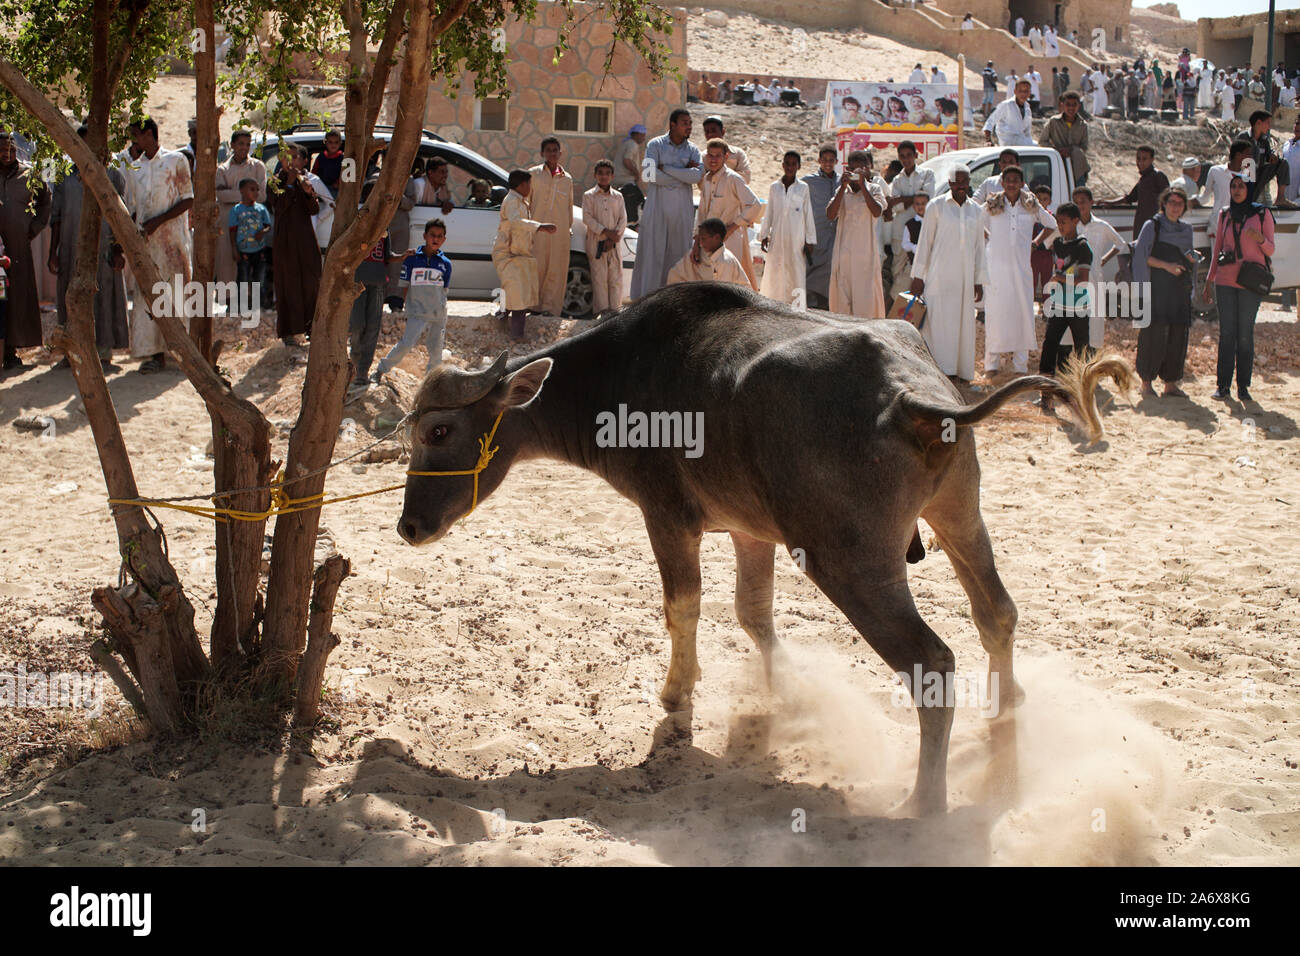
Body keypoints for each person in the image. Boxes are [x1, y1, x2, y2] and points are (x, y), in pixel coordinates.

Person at [48, 127, 128, 369]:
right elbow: (57, 217)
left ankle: (103, 354)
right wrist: (53, 252)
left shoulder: (113, 175)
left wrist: (118, 250)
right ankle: (70, 354)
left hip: (103, 247)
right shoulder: (64, 176)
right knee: (70, 298)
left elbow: (120, 216)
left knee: (103, 296)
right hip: (70, 247)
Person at [121, 118, 192, 373]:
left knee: (177, 295)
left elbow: (187, 199)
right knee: (149, 297)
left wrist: (158, 222)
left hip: (173, 243)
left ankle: (181, 353)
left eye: (136, 135)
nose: (133, 141)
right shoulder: (134, 168)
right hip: (146, 245)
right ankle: (154, 355)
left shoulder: (176, 161)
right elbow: (131, 208)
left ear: (149, 135)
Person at [909, 165, 987, 380]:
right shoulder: (936, 206)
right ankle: (940, 374)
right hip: (938, 278)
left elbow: (979, 248)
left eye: (964, 182)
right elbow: (925, 242)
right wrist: (918, 276)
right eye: (956, 182)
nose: (960, 186)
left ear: (969, 183)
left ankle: (960, 372)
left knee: (962, 326)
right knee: (939, 325)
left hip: (964, 280)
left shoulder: (976, 210)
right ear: (950, 183)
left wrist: (978, 280)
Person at [981, 165, 1057, 374]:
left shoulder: (1030, 203)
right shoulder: (992, 203)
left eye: (1016, 179)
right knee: (995, 314)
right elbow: (975, 224)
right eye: (1008, 180)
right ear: (1002, 183)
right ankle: (992, 365)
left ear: (1022, 182)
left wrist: (1036, 242)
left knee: (1023, 314)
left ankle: (1020, 366)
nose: (1012, 183)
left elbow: (1052, 224)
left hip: (1022, 270)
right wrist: (989, 239)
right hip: (996, 270)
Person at [1205, 175, 1273, 403]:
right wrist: (1209, 279)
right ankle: (1222, 386)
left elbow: (1271, 249)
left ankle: (1243, 387)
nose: (1236, 190)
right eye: (1233, 186)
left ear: (1249, 189)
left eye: (1241, 186)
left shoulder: (1262, 213)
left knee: (1244, 335)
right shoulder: (1225, 213)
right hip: (1225, 281)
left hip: (1250, 283)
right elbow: (1217, 249)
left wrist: (1260, 239)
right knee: (1227, 335)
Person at [630, 109, 701, 299]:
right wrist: (682, 175)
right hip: (657, 211)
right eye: (685, 123)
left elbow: (696, 175)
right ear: (672, 124)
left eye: (690, 123)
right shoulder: (656, 145)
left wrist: (667, 168)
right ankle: (645, 302)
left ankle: (674, 302)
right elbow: (649, 174)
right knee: (652, 257)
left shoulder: (693, 149)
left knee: (678, 259)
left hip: (681, 214)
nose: (689, 127)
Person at [371, 218, 453, 382]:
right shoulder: (412, 259)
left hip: (438, 314)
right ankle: (381, 370)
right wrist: (403, 306)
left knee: (436, 351)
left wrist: (441, 309)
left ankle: (431, 383)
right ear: (424, 236)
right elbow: (404, 285)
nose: (435, 239)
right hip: (417, 312)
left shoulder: (446, 264)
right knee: (406, 344)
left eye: (439, 236)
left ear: (444, 239)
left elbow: (444, 290)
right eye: (432, 235)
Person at [1132, 187, 1195, 398]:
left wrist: (1192, 260)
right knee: (1152, 334)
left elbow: (1187, 256)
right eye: (1172, 202)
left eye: (1180, 203)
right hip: (1156, 288)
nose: (1175, 207)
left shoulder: (1187, 230)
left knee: (1178, 335)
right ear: (1164, 204)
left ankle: (1170, 384)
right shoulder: (1152, 226)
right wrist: (1167, 266)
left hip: (1179, 289)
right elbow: (1142, 256)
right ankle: (1146, 383)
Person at [0, 131, 51, 371]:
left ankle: (12, 352)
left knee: (17, 300)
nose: (6, 154)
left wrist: (35, 227)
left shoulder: (28, 173)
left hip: (18, 248)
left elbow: (46, 200)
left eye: (10, 149)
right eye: (2, 150)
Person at [1036, 202, 1092, 410]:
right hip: (1059, 305)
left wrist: (1059, 278)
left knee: (1082, 353)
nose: (1060, 225)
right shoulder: (1057, 243)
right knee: (1049, 348)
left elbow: (1083, 280)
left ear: (1075, 221)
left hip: (1078, 307)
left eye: (1064, 222)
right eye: (1058, 221)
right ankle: (1046, 395)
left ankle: (1084, 396)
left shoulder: (1082, 247)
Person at [492, 169, 557, 340]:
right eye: (529, 183)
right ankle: (516, 335)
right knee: (518, 296)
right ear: (522, 185)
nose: (530, 187)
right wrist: (540, 226)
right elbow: (516, 222)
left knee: (514, 292)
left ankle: (499, 321)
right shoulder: (512, 201)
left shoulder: (521, 201)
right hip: (508, 253)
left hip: (519, 254)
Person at [347, 183, 398, 398]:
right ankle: (354, 364)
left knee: (372, 327)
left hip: (377, 281)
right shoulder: (356, 220)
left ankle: (362, 373)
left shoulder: (384, 223)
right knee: (357, 325)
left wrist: (402, 256)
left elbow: (386, 255)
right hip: (358, 281)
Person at [268, 143, 321, 347]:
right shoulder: (275, 181)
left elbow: (314, 209)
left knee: (311, 284)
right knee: (288, 286)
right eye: (286, 158)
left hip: (305, 241)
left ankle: (310, 330)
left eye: (295, 157)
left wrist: (307, 192)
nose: (291, 162)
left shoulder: (304, 181)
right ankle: (289, 333)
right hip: (285, 244)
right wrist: (289, 184)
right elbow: (278, 205)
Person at [695, 138, 762, 291]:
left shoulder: (733, 179)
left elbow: (754, 204)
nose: (713, 159)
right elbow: (701, 214)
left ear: (726, 157)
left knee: (728, 287)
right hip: (707, 244)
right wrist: (696, 242)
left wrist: (732, 227)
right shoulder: (706, 180)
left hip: (729, 242)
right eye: (710, 155)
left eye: (718, 155)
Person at [826, 149, 886, 318]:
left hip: (865, 259)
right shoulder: (843, 191)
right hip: (843, 258)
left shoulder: (874, 189)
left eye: (860, 170)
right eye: (853, 170)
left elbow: (877, 211)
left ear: (867, 169)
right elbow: (830, 214)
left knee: (866, 304)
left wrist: (863, 186)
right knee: (842, 306)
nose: (856, 174)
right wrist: (843, 187)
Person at [1071, 186, 1127, 352]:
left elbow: (1120, 244)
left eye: (1083, 202)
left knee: (1094, 319)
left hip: (1094, 277)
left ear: (1091, 203)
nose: (1080, 206)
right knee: (1073, 318)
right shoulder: (1071, 225)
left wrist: (1104, 259)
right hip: (1073, 279)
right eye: (1076, 203)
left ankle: (1091, 359)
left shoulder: (1101, 226)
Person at [758, 151, 816, 307]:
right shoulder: (774, 187)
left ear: (798, 166)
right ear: (783, 165)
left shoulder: (803, 188)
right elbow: (769, 211)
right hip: (777, 238)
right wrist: (764, 234)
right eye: (787, 164)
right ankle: (772, 307)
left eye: (793, 164)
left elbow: (807, 213)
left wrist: (810, 240)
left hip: (796, 239)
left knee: (795, 272)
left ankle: (797, 310)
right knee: (774, 272)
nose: (790, 167)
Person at [528, 137, 574, 317]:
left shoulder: (567, 178)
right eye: (548, 150)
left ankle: (550, 308)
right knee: (537, 266)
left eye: (555, 150)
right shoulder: (533, 174)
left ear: (560, 153)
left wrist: (568, 228)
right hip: (537, 229)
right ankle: (533, 306)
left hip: (559, 231)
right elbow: (527, 201)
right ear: (542, 153)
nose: (552, 153)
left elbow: (569, 206)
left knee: (556, 268)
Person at [214, 130, 267, 286]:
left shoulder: (257, 167)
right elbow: (221, 195)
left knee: (251, 264)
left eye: (247, 144)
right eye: (240, 144)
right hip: (228, 220)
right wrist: (248, 193)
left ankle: (250, 301)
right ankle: (228, 300)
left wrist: (231, 192)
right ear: (232, 145)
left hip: (252, 223)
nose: (244, 148)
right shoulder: (223, 169)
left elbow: (262, 195)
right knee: (226, 260)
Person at [580, 159, 627, 319]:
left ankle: (615, 311)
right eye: (600, 173)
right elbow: (587, 218)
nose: (604, 177)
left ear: (612, 176)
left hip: (614, 243)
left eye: (607, 173)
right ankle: (602, 312)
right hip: (596, 242)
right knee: (599, 277)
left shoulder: (618, 197)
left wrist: (613, 237)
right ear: (595, 175)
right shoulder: (589, 196)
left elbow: (623, 219)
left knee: (615, 277)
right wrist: (605, 232)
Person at [883, 139, 934, 287]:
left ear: (916, 155)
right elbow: (895, 207)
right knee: (898, 273)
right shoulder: (898, 180)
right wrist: (910, 199)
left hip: (922, 231)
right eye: (903, 156)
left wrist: (902, 199)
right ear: (899, 158)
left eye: (909, 155)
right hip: (900, 232)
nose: (906, 159)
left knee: (923, 273)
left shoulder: (927, 174)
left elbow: (927, 197)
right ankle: (899, 309)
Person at [1097, 145, 1169, 239]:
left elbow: (1168, 199)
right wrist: (1110, 203)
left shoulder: (1158, 176)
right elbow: (1130, 198)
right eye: (1138, 159)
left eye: (1144, 159)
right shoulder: (1143, 179)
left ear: (1152, 160)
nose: (1140, 162)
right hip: (1142, 224)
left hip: (1155, 225)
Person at [227, 178, 271, 324]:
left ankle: (258, 308)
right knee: (243, 279)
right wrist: (234, 249)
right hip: (244, 251)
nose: (256, 192)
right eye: (252, 189)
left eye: (257, 189)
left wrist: (263, 232)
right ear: (242, 191)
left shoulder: (261, 209)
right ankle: (242, 307)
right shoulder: (236, 210)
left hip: (259, 250)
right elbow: (232, 231)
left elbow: (267, 225)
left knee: (260, 279)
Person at [802, 144, 838, 310]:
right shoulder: (808, 182)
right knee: (811, 275)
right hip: (816, 235)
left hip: (836, 237)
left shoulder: (841, 181)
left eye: (831, 160)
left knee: (831, 275)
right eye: (825, 160)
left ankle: (827, 309)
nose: (828, 164)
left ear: (836, 161)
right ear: (819, 161)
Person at [1201, 140, 1252, 252]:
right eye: (1248, 154)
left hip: (1240, 226)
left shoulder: (1248, 174)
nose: (1250, 158)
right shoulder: (1215, 171)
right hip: (1218, 225)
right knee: (1217, 262)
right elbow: (1205, 197)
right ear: (1239, 155)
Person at [666, 217, 747, 286]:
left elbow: (739, 287)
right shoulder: (695, 255)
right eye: (699, 239)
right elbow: (674, 274)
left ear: (716, 238)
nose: (700, 243)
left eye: (703, 239)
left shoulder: (728, 261)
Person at [1040, 91, 1090, 188]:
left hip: (1077, 166)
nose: (1071, 108)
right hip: (1059, 163)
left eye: (1074, 105)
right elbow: (1042, 141)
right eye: (1068, 105)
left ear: (1078, 106)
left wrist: (1072, 150)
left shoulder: (1083, 125)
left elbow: (1084, 147)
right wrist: (1058, 151)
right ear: (1062, 105)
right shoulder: (1054, 122)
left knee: (1079, 192)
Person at [1236, 111, 1281, 205]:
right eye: (1267, 123)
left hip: (1261, 180)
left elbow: (1269, 155)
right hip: (1245, 179)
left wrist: (1274, 155)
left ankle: (1281, 198)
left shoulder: (1264, 140)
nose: (1269, 127)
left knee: (1282, 163)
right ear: (1258, 123)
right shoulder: (1244, 137)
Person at [893, 189, 928, 298]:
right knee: (902, 290)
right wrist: (914, 247)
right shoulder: (910, 224)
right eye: (917, 204)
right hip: (913, 264)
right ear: (913, 206)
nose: (920, 206)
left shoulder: (933, 222)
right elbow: (905, 244)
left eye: (923, 204)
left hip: (930, 266)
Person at [613, 123, 647, 227]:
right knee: (633, 206)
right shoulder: (632, 144)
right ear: (636, 134)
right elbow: (627, 161)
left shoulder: (627, 143)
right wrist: (637, 174)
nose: (643, 138)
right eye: (642, 135)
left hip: (618, 179)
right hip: (625, 181)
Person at [983, 80, 1034, 146]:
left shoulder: (1027, 107)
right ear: (1015, 91)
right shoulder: (1006, 105)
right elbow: (990, 122)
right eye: (1020, 91)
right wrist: (988, 140)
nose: (1023, 94)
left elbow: (1027, 131)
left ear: (1029, 93)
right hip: (1008, 145)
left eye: (1026, 91)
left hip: (1023, 143)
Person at [701, 116, 751, 183]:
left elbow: (745, 178)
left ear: (723, 132)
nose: (710, 134)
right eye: (707, 132)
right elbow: (702, 183)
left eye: (713, 131)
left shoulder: (738, 154)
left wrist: (714, 177)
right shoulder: (703, 157)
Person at [310, 129, 344, 199]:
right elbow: (314, 173)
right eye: (330, 142)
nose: (333, 145)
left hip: (336, 191)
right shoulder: (321, 157)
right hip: (321, 190)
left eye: (336, 142)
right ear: (325, 142)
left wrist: (339, 182)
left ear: (340, 143)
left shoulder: (343, 158)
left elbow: (346, 174)